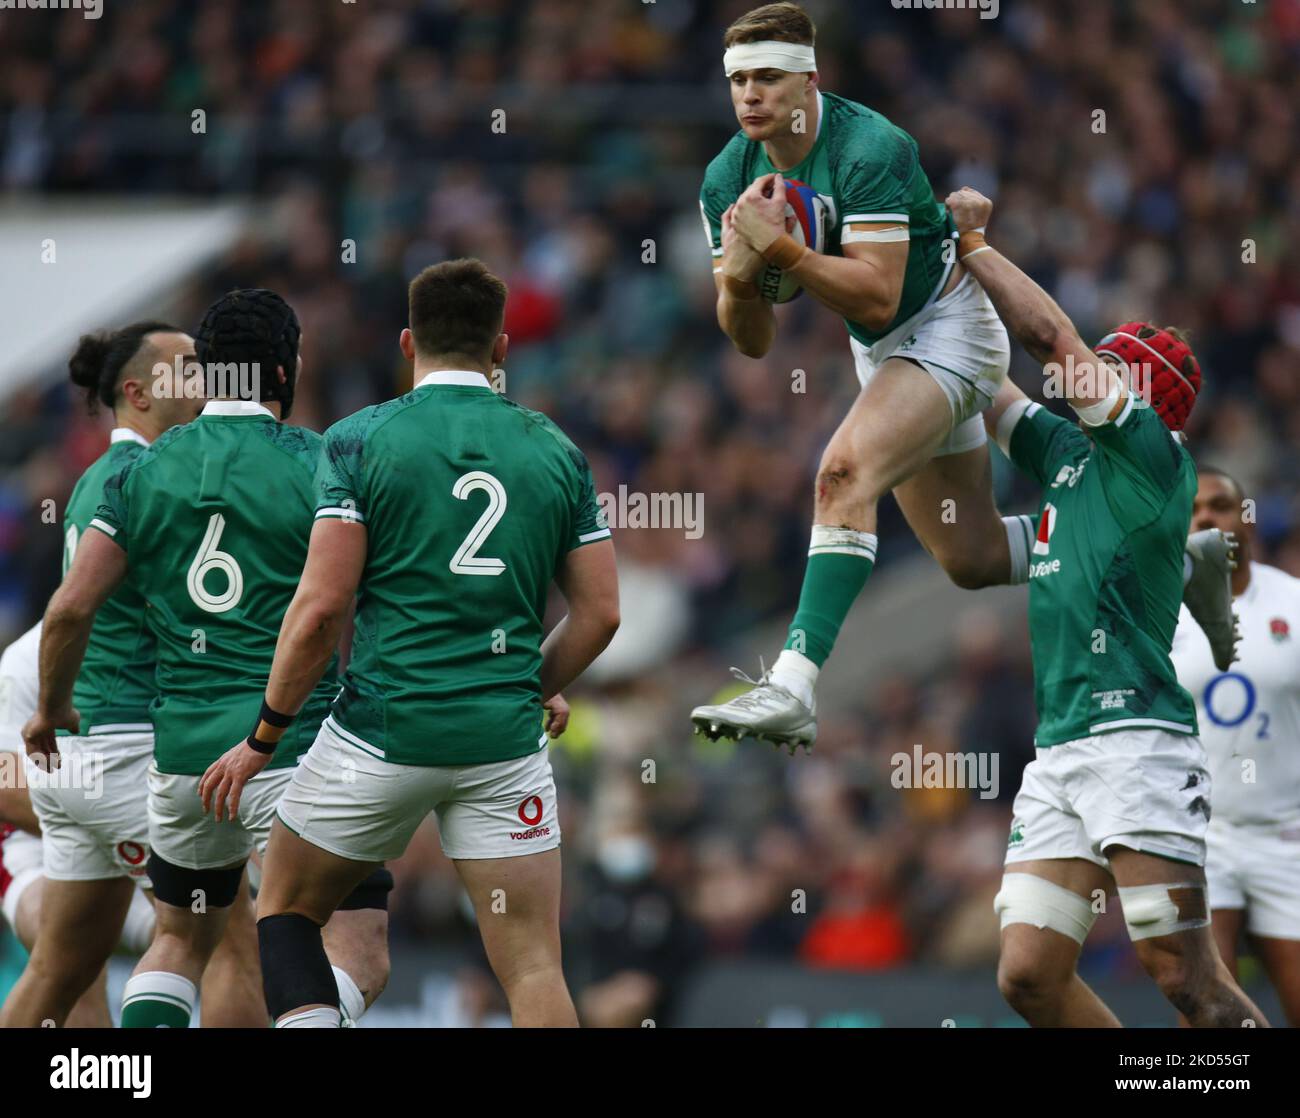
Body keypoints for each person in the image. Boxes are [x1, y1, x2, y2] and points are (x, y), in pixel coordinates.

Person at [199, 259, 618, 1028]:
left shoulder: (361, 440)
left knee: (285, 903)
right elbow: (600, 616)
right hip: (502, 743)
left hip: (383, 736)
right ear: (500, 348)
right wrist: (524, 685)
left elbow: (323, 610)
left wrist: (264, 737)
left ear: (406, 343)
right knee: (531, 964)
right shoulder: (555, 449)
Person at [943, 185, 1267, 1027]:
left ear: (1144, 393)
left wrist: (974, 244)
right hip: (1061, 747)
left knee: (1183, 978)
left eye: (1111, 363)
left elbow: (1047, 339)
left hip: (1137, 745)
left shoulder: (1150, 457)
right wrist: (919, 302)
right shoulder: (1068, 452)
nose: (1080, 369)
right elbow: (990, 385)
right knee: (1028, 977)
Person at [22, 291, 389, 1028]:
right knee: (356, 943)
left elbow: (68, 609)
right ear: (284, 367)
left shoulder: (136, 473)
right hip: (285, 752)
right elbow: (362, 603)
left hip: (181, 760)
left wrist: (54, 707)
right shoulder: (324, 462)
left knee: (180, 939)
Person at [1170, 465, 1300, 1024]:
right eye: (1194, 510)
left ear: (1245, 518)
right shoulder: (1162, 613)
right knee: (1203, 1009)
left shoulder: (1293, 602)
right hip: (1202, 836)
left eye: (1220, 505)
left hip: (1287, 834)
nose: (1206, 517)